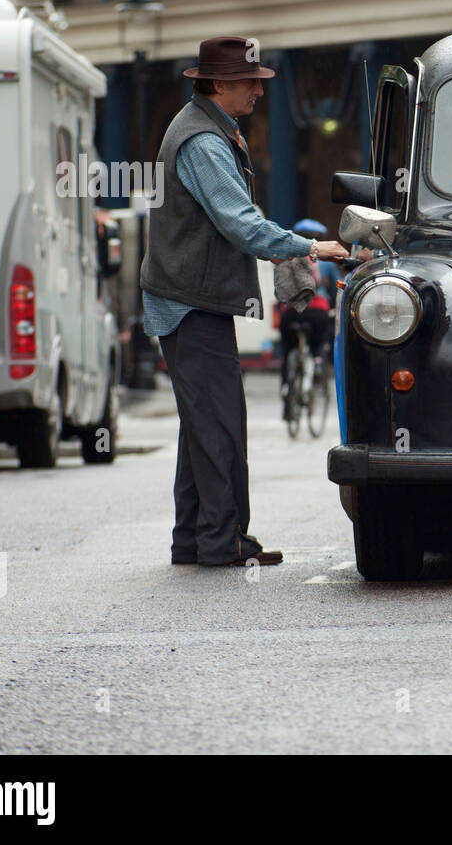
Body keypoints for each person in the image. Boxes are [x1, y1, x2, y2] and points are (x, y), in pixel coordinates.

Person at [140, 36, 349, 567]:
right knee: (221, 425)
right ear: (216, 84)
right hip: (192, 301)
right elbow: (239, 223)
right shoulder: (204, 142)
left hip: (187, 299)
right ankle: (223, 541)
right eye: (249, 82)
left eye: (259, 81)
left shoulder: (205, 128)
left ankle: (193, 539)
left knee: (202, 424)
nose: (259, 90)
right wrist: (308, 246)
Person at [279, 218, 342, 398]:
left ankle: (286, 386)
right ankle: (317, 361)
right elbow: (335, 289)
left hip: (290, 312)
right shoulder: (326, 261)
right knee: (320, 341)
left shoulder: (287, 257)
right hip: (317, 310)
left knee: (288, 349)